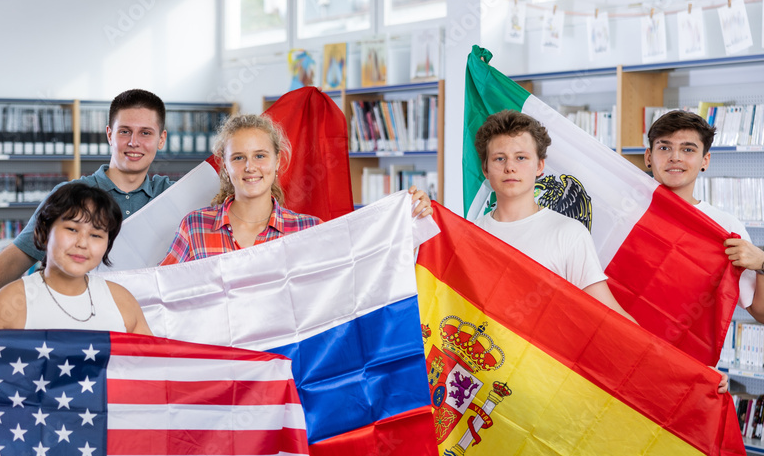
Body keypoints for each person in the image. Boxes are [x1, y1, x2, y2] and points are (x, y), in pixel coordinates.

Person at [0, 89, 172, 301]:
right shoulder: (69, 196)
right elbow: (15, 259)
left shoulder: (175, 194)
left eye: (145, 133)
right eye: (124, 131)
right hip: (84, 318)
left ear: (161, 139)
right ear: (110, 135)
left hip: (152, 321)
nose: (133, 142)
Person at [160, 113, 433, 264]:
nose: (250, 167)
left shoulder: (308, 231)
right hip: (215, 362)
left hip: (285, 363)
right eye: (238, 157)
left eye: (260, 155)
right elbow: (160, 295)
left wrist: (407, 224)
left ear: (278, 161)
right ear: (225, 166)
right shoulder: (195, 227)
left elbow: (355, 278)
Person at [473, 110, 637, 324]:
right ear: (485, 169)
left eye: (521, 157)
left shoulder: (569, 234)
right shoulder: (468, 235)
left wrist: (656, 355)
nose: (510, 167)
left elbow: (611, 317)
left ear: (540, 166)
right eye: (499, 159)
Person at [0, 180, 152, 334]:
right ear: (45, 230)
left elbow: (153, 364)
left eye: (96, 235)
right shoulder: (9, 302)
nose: (82, 243)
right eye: (72, 229)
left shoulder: (122, 302)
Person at [645, 110, 764, 322]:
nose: (675, 157)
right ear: (648, 157)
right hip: (618, 345)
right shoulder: (626, 214)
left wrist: (762, 264)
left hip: (683, 351)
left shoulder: (725, 227)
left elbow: (761, 313)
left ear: (705, 161)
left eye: (688, 149)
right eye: (664, 148)